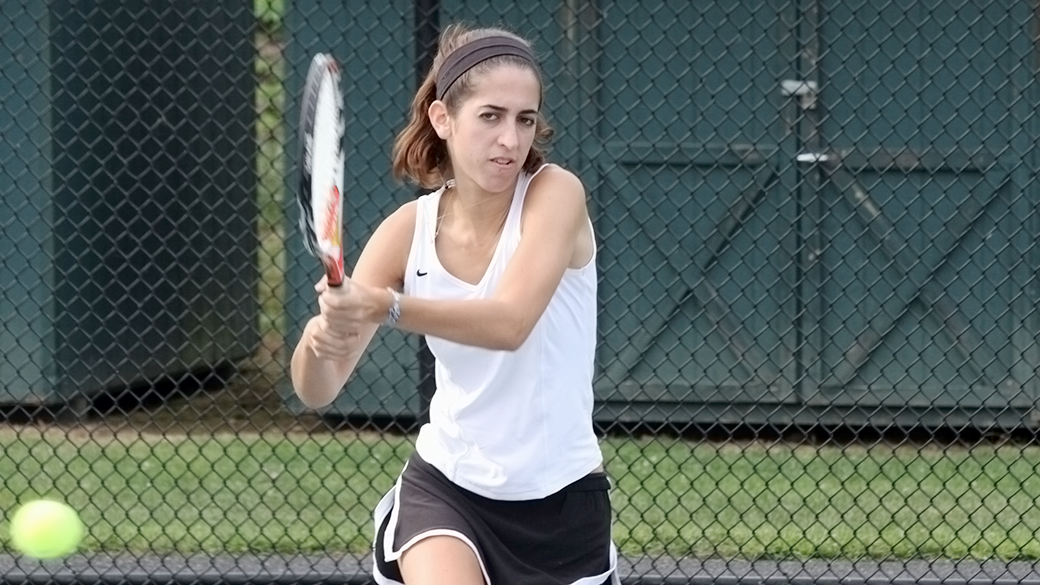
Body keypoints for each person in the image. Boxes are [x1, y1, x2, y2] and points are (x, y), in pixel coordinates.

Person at [291, 23, 618, 585]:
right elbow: (317, 390)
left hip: (562, 506)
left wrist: (385, 306)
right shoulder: (406, 231)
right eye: (490, 116)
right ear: (444, 119)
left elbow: (510, 322)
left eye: (525, 119)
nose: (510, 140)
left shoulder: (556, 195)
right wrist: (321, 341)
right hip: (447, 489)